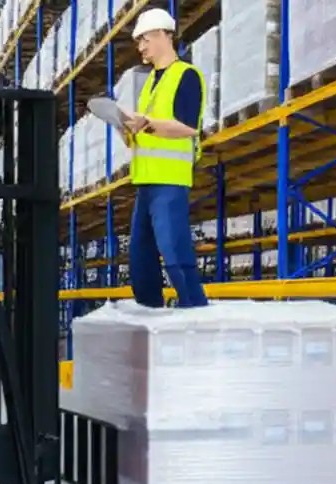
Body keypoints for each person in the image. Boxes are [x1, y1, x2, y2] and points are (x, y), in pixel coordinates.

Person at [122, 7, 209, 309]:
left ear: (161, 34)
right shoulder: (151, 82)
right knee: (140, 258)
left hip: (170, 181)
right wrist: (130, 131)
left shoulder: (187, 75)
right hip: (146, 181)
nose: (141, 47)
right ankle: (150, 316)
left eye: (143, 39)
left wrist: (145, 123)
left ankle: (194, 310)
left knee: (174, 253)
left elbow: (187, 127)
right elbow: (150, 126)